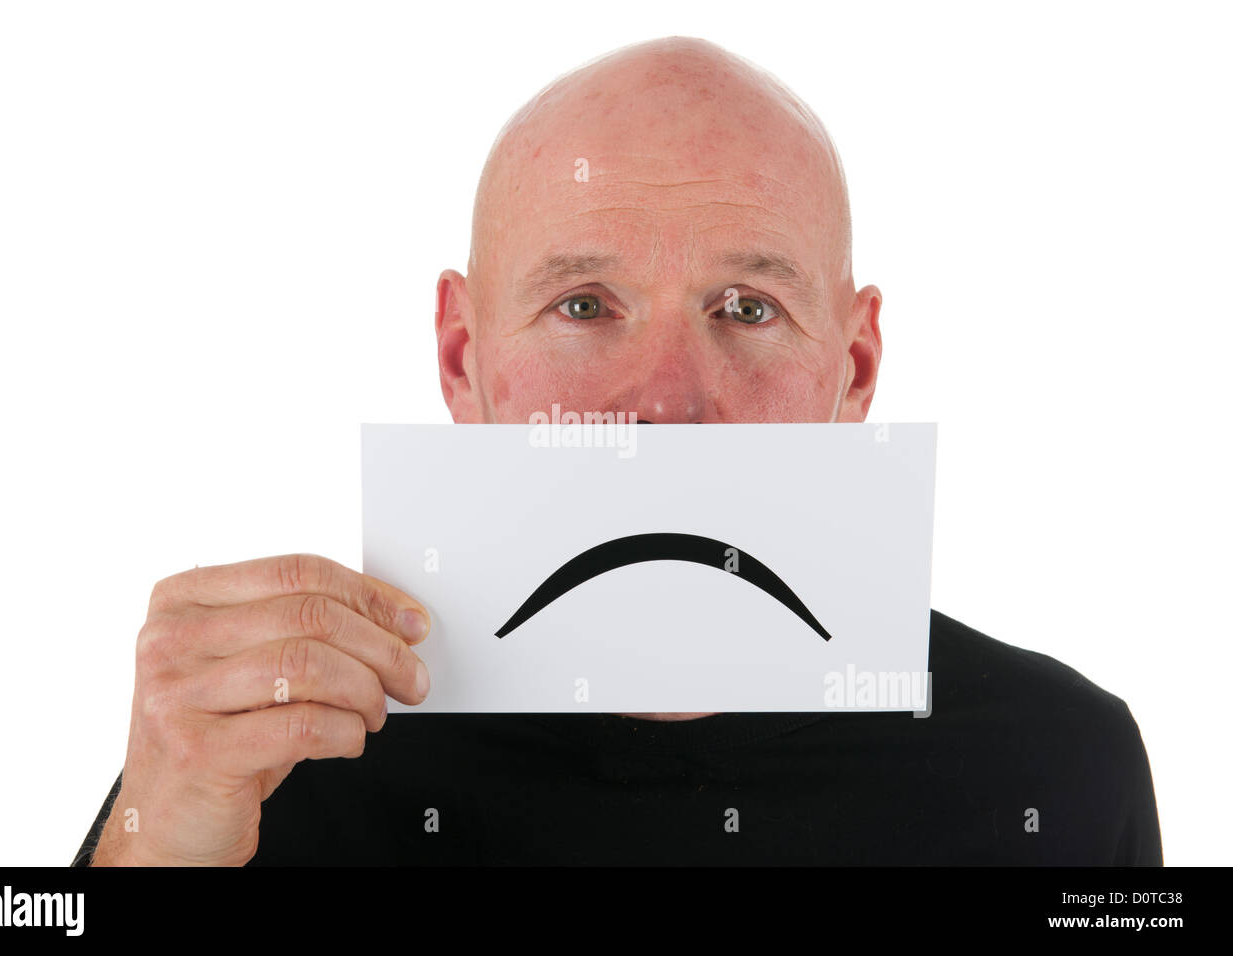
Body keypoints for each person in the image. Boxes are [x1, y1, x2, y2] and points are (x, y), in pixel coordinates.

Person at [75, 36, 1162, 866]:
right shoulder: (278, 760)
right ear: (463, 360)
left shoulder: (1060, 763)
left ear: (855, 368)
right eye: (584, 302)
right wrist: (148, 837)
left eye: (746, 306)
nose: (666, 402)